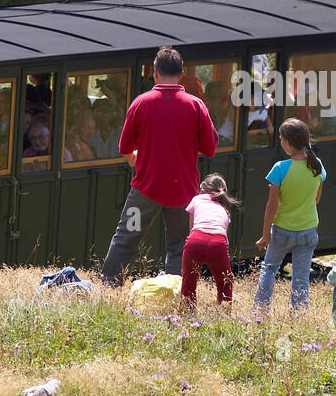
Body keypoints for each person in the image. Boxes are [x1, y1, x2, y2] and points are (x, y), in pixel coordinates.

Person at [100, 46, 219, 286]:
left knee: (126, 237)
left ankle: (110, 284)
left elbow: (124, 146)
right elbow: (210, 148)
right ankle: (176, 292)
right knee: (179, 245)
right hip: (183, 192)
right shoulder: (196, 106)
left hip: (145, 190)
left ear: (155, 73)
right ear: (182, 73)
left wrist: (135, 157)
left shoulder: (141, 103)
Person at [253, 117, 326, 311]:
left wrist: (265, 235)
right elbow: (317, 199)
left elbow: (271, 206)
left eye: (281, 138)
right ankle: (298, 315)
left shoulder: (280, 168)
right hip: (309, 230)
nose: (280, 142)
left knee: (269, 269)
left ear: (288, 142)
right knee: (301, 277)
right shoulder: (317, 165)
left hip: (283, 230)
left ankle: (260, 312)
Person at [180, 173, 239, 314]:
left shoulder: (197, 199)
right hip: (218, 243)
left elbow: (192, 227)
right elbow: (224, 234)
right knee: (225, 281)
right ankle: (224, 315)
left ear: (202, 189)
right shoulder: (225, 209)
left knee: (189, 280)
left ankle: (186, 316)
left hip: (196, 239)